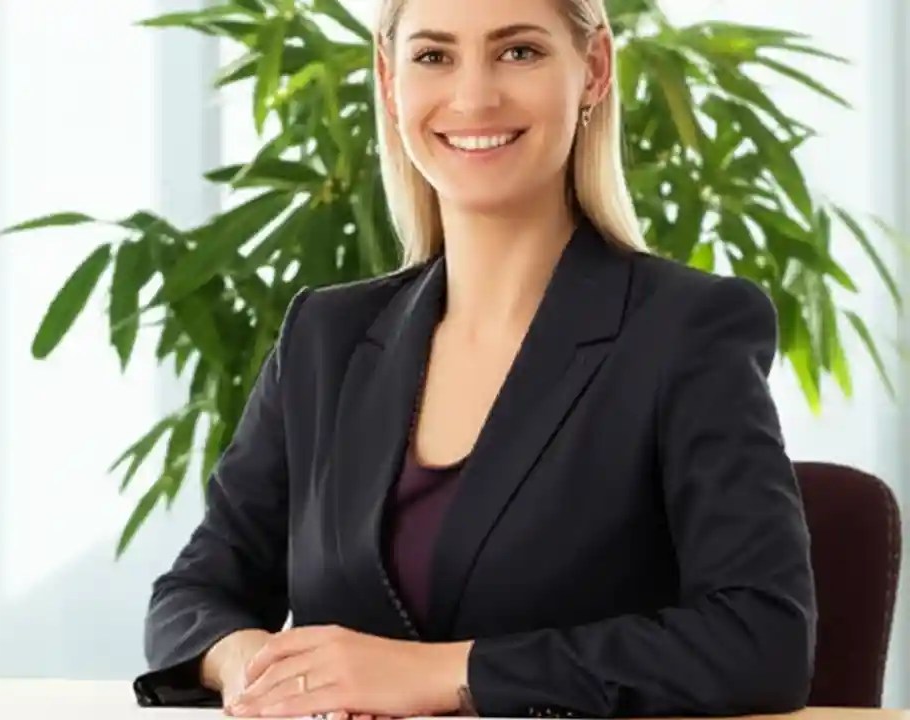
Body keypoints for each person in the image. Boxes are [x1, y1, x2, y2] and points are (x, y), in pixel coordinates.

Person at [133, 0, 817, 717]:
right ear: (390, 83)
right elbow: (195, 596)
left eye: (518, 51)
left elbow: (760, 637)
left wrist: (440, 674)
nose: (473, 96)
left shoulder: (686, 330)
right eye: (433, 56)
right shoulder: (324, 337)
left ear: (594, 68)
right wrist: (252, 666)